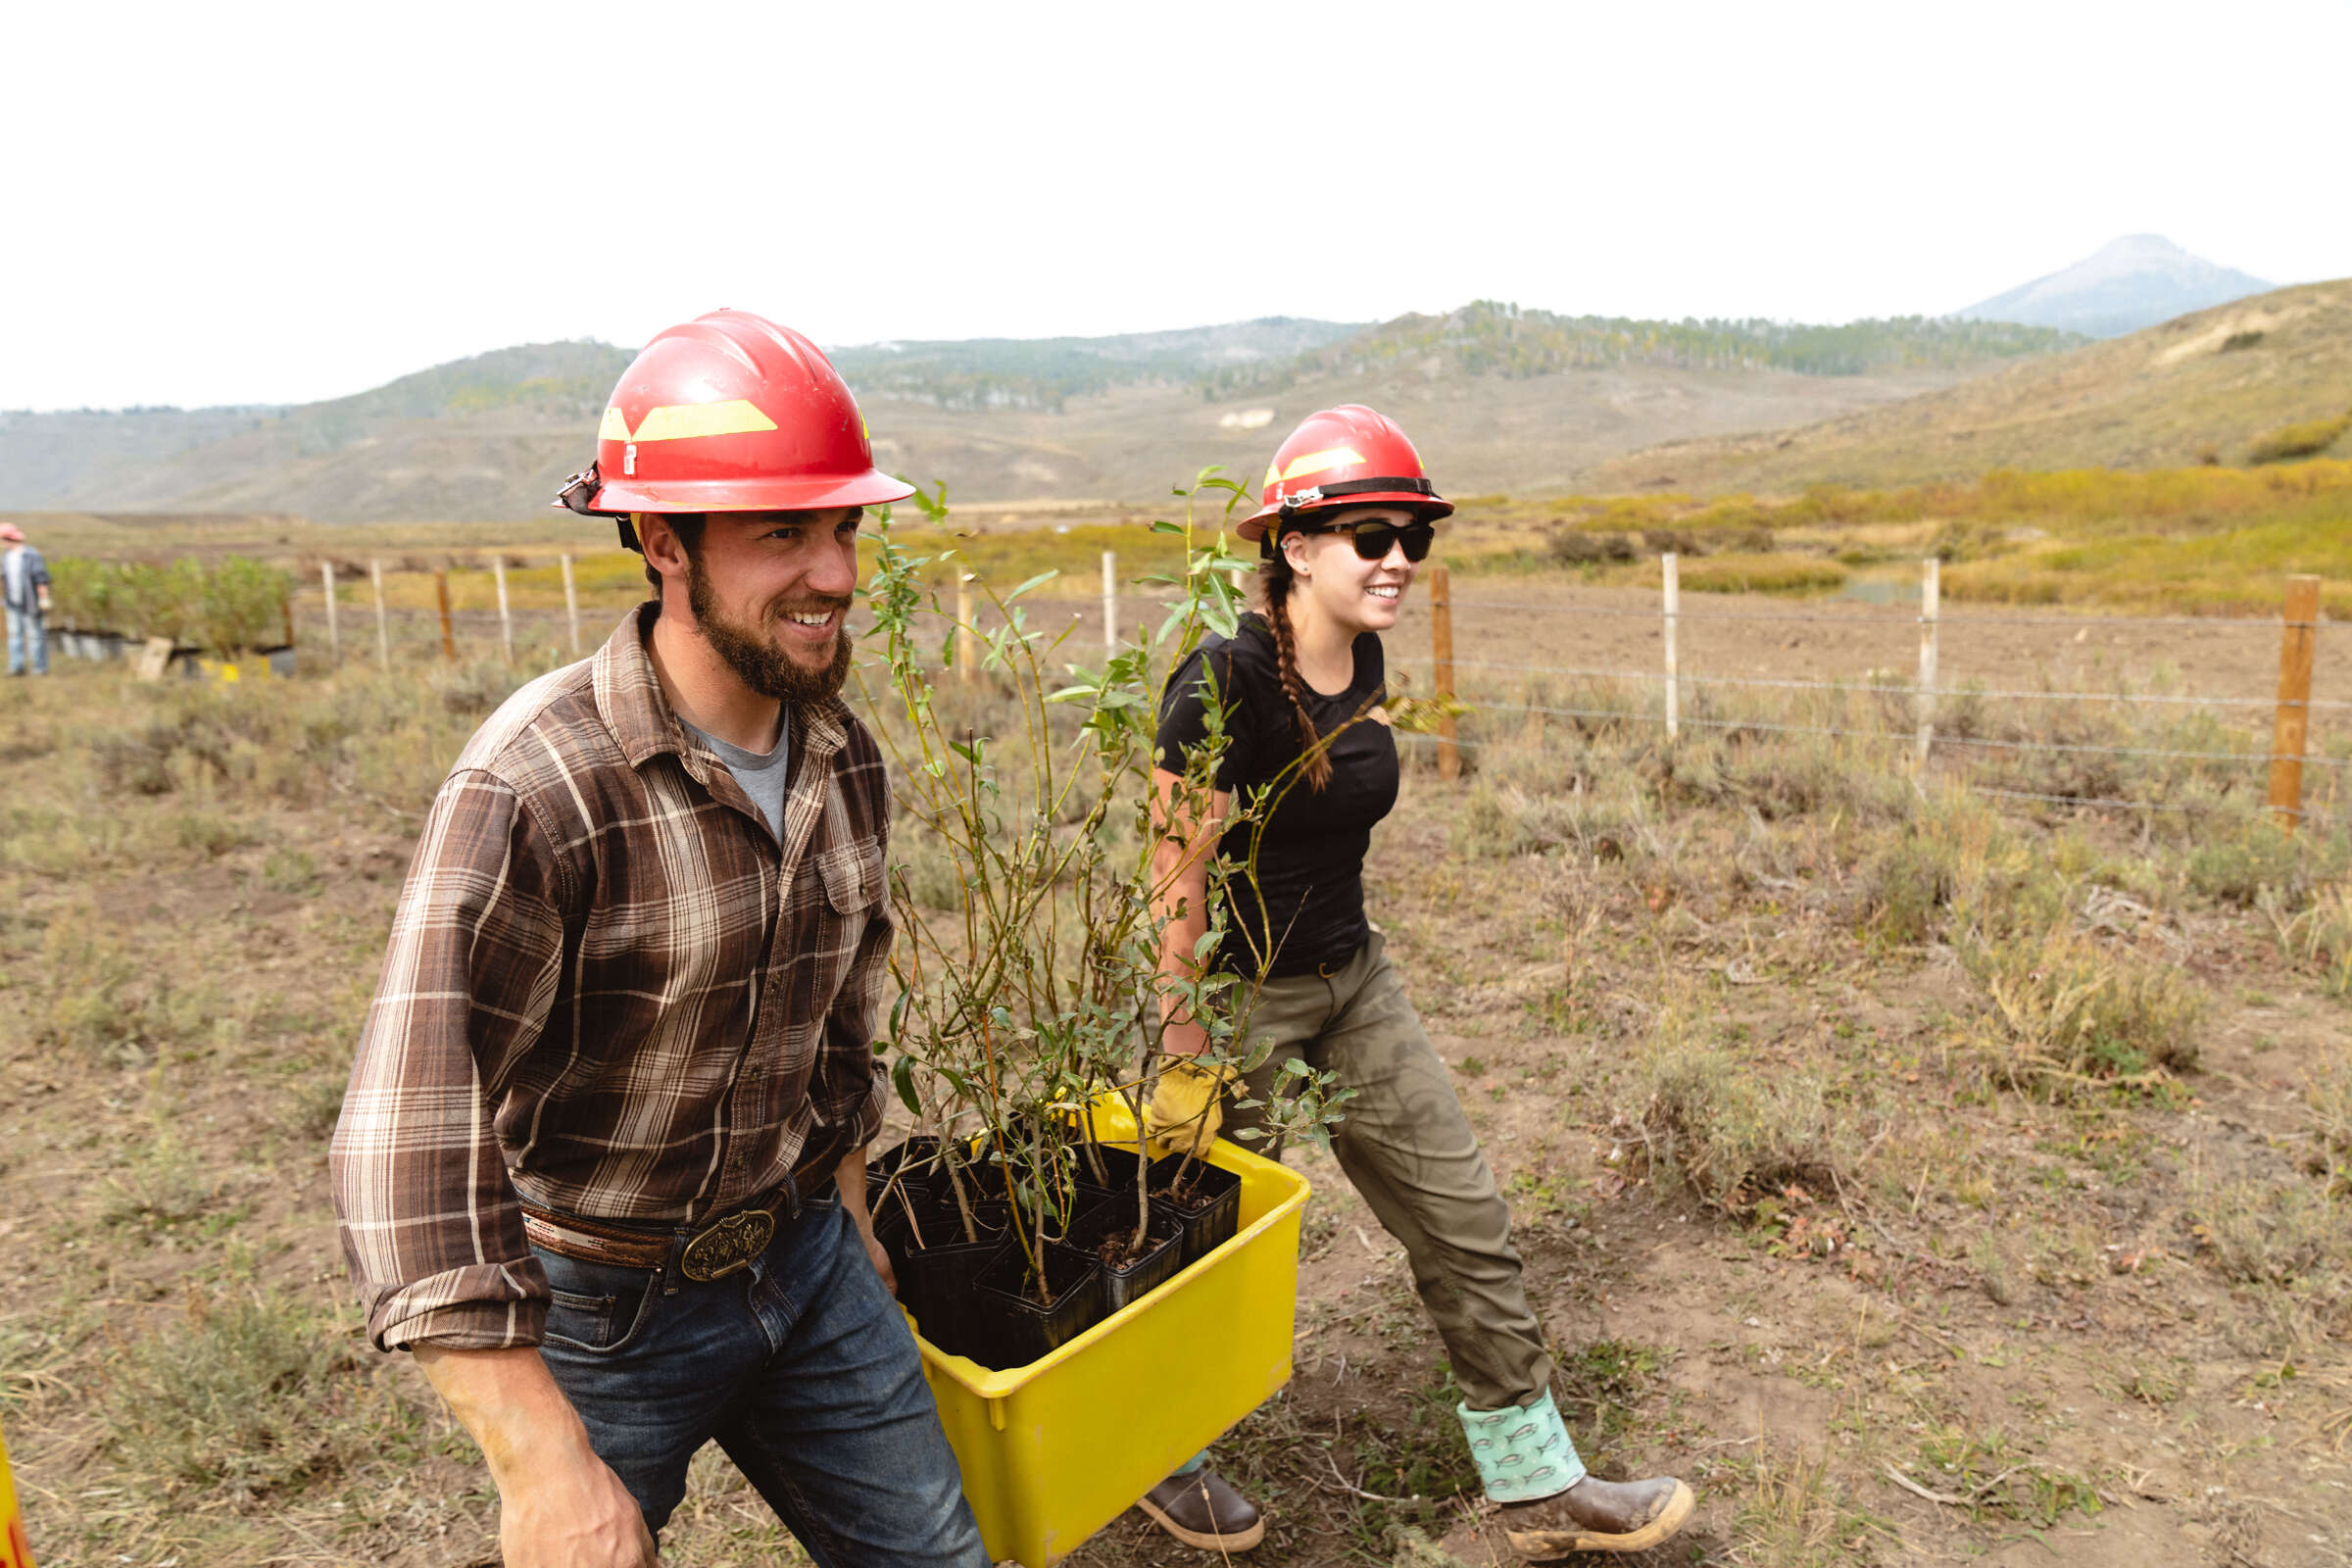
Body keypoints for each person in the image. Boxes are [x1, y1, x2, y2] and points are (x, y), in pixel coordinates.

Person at [330, 310, 990, 1568]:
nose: (838, 573)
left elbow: (835, 1024)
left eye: (844, 526)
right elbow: (404, 1136)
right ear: (660, 539)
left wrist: (849, 1225)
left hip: (805, 1261)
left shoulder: (843, 754)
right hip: (603, 1306)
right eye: (781, 531)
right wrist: (539, 1459)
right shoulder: (539, 789)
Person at [1141, 407, 1695, 1559]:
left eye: (1414, 539)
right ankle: (1162, 1454)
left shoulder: (1369, 652)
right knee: (1198, 1245)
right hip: (1239, 997)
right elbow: (1172, 874)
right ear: (1294, 545)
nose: (1397, 557)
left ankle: (1537, 1482)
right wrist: (1181, 1046)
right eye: (1369, 534)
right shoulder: (1220, 679)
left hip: (1355, 978)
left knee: (1467, 1221)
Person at [1, 524, 50, 677]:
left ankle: (39, 668)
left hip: (30, 602)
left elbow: (40, 578)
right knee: (15, 635)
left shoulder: (31, 555)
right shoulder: (7, 557)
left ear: (8, 538)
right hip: (12, 602)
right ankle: (17, 667)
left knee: (35, 635)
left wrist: (43, 598)